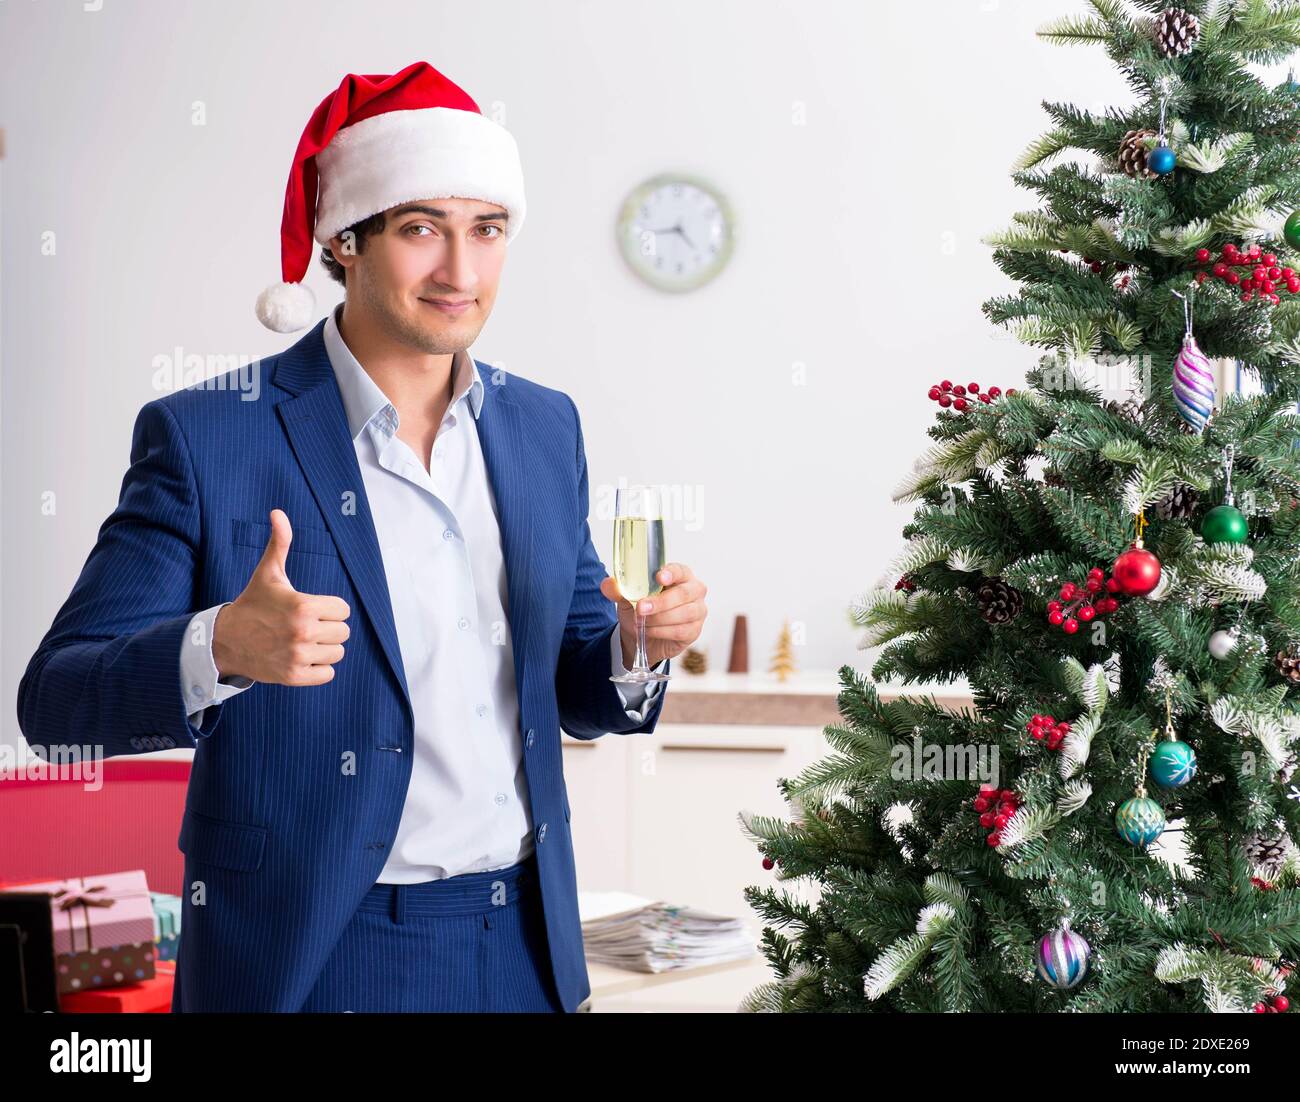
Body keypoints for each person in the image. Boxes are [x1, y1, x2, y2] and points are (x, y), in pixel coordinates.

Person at [17, 61, 708, 1012]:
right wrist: (218, 646)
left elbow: (581, 694)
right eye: (422, 228)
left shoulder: (546, 428)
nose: (460, 272)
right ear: (345, 241)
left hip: (526, 950)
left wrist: (638, 646)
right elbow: (54, 702)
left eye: (487, 230)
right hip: (320, 951)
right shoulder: (210, 434)